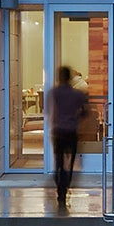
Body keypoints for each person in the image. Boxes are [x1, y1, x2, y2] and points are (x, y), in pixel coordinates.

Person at [46, 65, 88, 207]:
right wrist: (76, 118)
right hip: (71, 130)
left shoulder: (53, 93)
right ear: (70, 78)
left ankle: (60, 188)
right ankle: (66, 184)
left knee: (59, 160)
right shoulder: (77, 94)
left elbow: (48, 111)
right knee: (69, 162)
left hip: (58, 131)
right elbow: (85, 111)